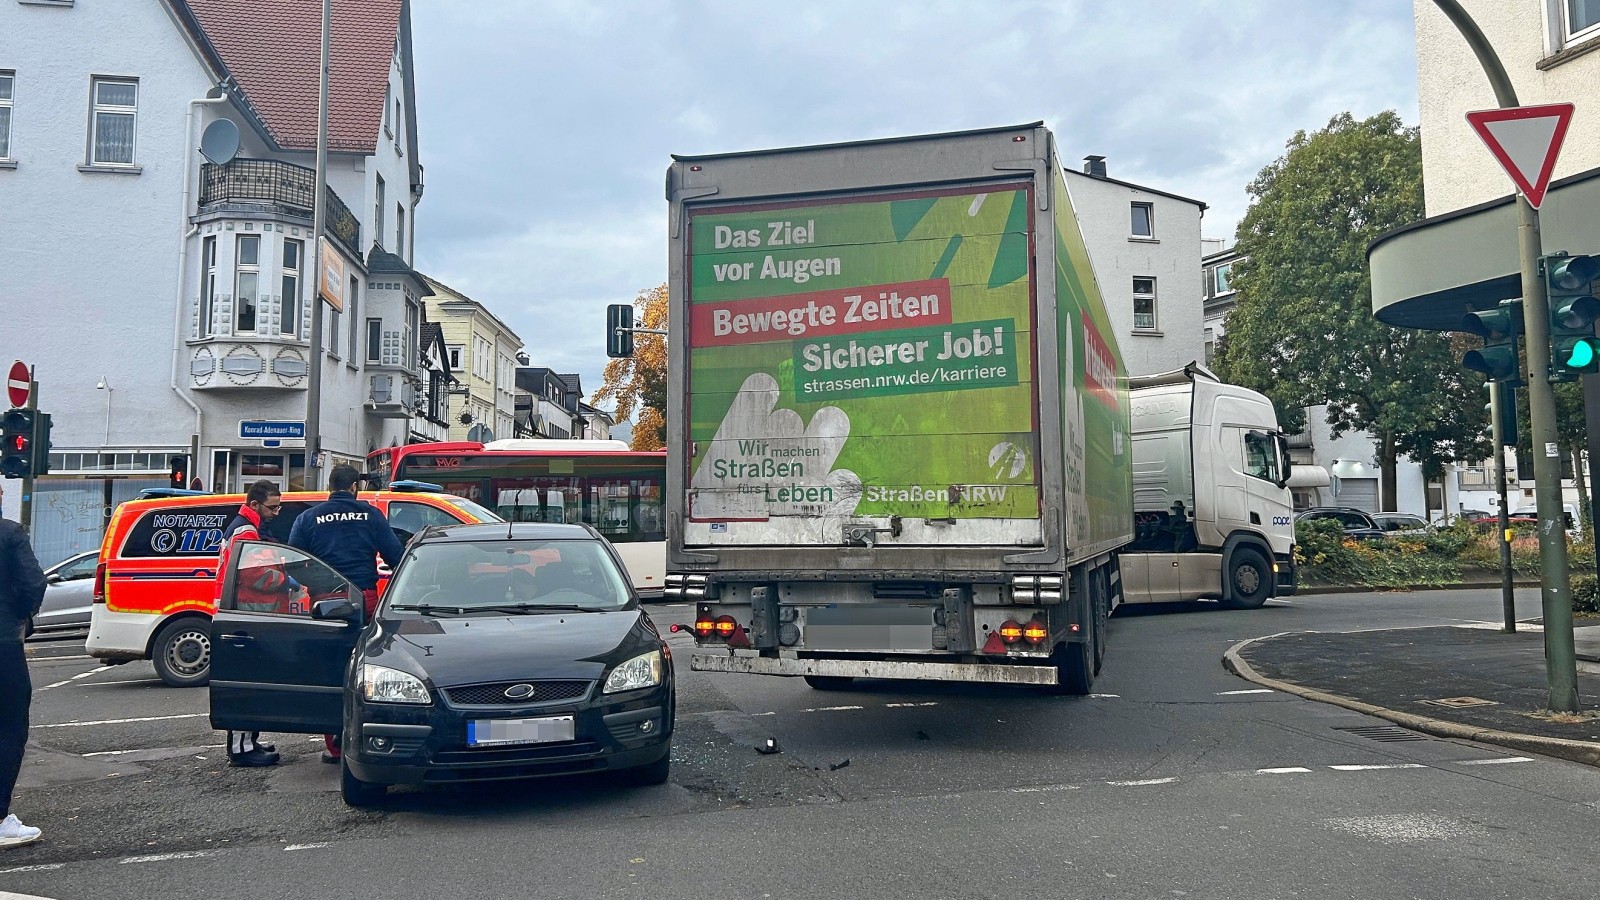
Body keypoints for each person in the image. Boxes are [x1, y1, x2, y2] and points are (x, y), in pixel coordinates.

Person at [289, 465, 404, 762]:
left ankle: (335, 742)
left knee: (330, 668)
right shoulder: (370, 515)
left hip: (325, 601)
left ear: (331, 486)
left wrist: (319, 583)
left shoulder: (307, 518)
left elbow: (291, 562)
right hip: (362, 599)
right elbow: (397, 557)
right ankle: (362, 736)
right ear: (354, 487)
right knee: (363, 668)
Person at [215, 480, 302, 768]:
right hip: (247, 615)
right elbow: (254, 575)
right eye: (273, 506)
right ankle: (241, 749)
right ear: (255, 504)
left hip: (246, 614)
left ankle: (248, 741)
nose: (277, 512)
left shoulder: (247, 528)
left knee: (251, 681)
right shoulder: (246, 531)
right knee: (247, 685)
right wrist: (286, 581)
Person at [1, 484, 47, 848]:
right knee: (9, 727)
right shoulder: (9, 534)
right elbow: (33, 583)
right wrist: (22, 618)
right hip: (2, 644)